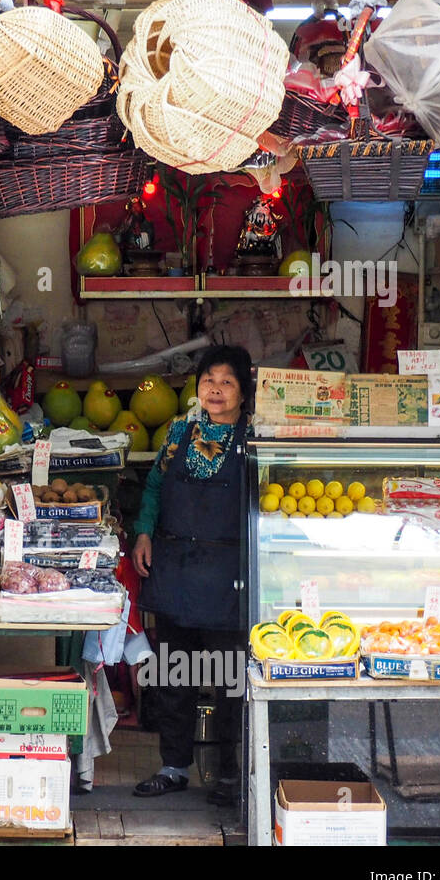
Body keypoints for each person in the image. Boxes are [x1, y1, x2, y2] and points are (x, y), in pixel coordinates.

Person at [129, 345, 253, 805]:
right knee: (172, 675)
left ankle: (228, 774)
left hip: (227, 575)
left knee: (228, 680)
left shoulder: (254, 437)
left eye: (226, 381)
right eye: (207, 380)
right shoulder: (180, 431)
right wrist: (144, 532)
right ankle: (173, 767)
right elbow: (156, 486)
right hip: (176, 569)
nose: (215, 389)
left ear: (243, 391)